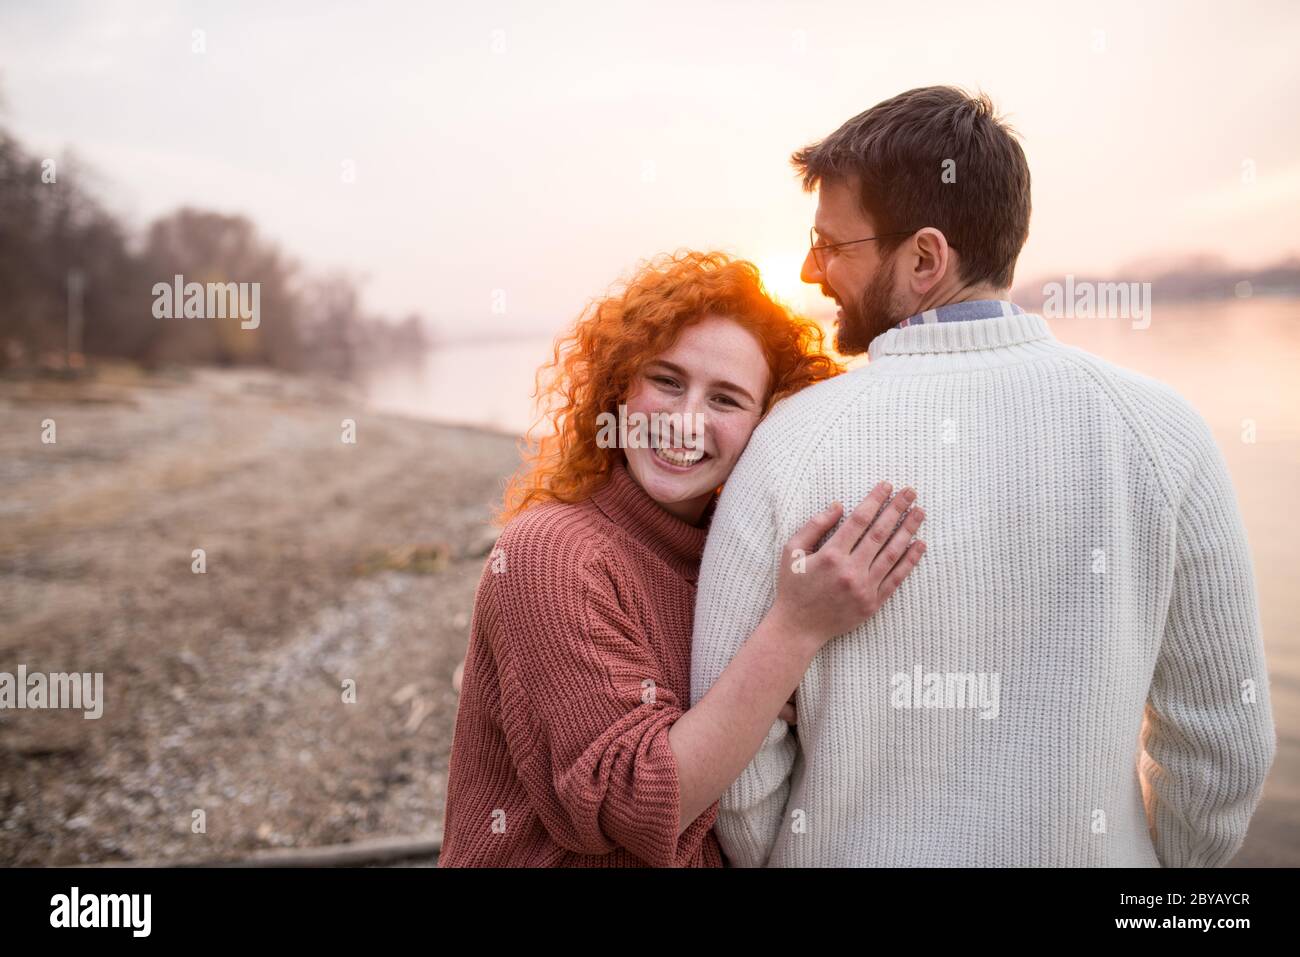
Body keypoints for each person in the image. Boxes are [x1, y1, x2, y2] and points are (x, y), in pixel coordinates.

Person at [691, 86, 1277, 867]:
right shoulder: (1163, 432)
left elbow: (738, 767)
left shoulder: (789, 444)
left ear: (925, 258)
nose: (808, 267)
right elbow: (1223, 744)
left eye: (832, 244)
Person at [438, 251, 928, 866]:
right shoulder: (552, 553)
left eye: (725, 399)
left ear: (765, 426)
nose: (685, 421)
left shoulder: (734, 562)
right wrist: (795, 630)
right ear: (619, 386)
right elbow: (628, 800)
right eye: (667, 381)